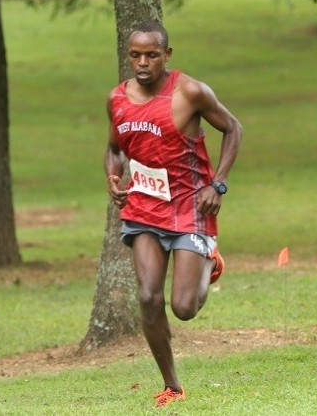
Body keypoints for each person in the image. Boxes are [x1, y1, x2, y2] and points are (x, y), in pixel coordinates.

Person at [105, 20, 242, 407]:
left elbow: (232, 128)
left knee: (183, 308)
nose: (143, 63)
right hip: (144, 207)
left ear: (167, 55)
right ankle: (172, 385)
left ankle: (208, 258)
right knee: (148, 297)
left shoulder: (190, 92)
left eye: (151, 55)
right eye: (135, 55)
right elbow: (114, 147)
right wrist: (114, 175)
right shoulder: (117, 99)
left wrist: (218, 184)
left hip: (189, 207)